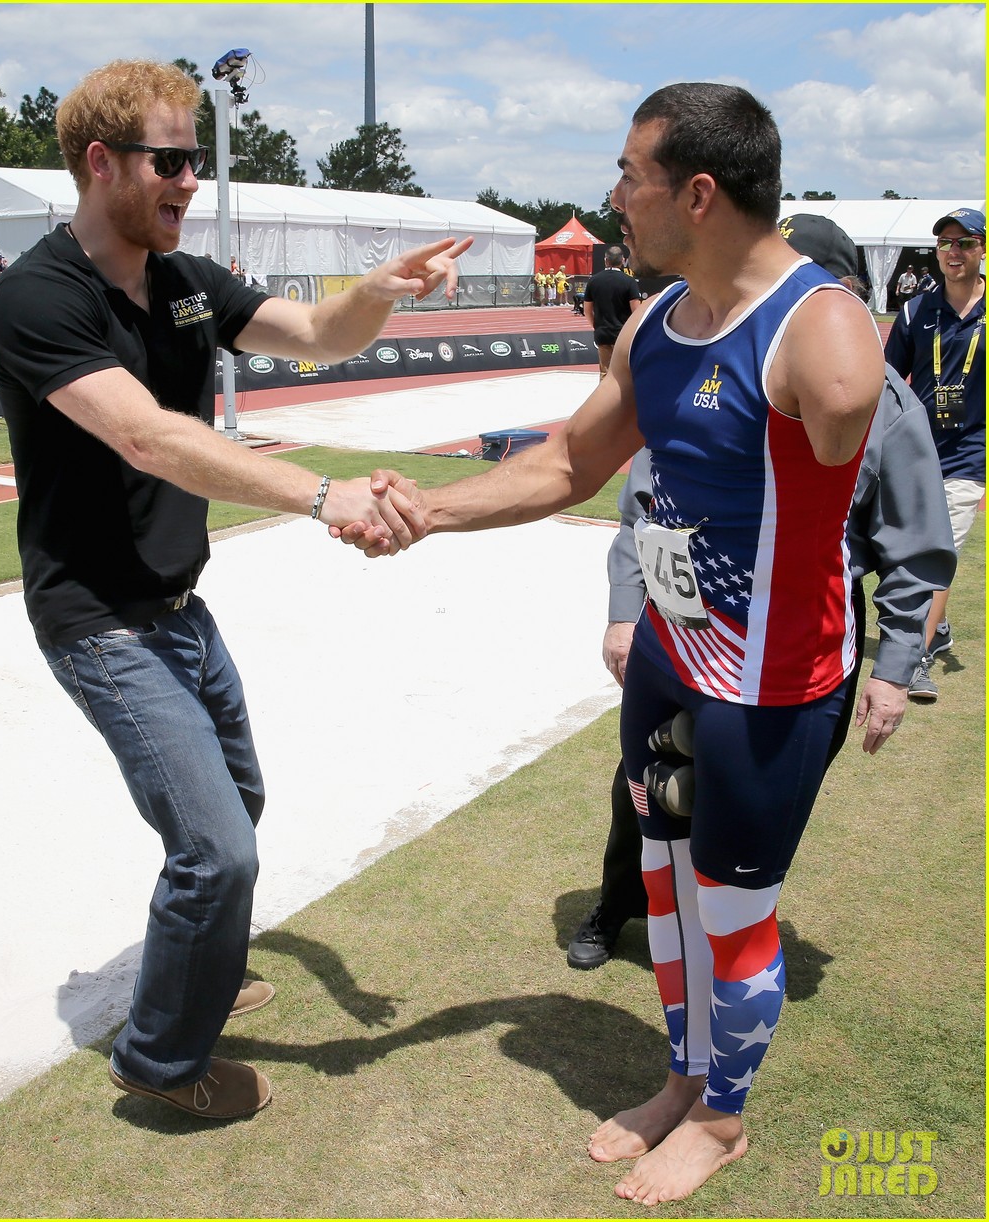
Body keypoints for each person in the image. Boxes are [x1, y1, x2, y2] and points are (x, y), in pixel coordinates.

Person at [345, 82, 885, 1206]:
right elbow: (565, 465)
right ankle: (684, 1080)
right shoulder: (653, 321)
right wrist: (430, 511)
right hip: (668, 658)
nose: (613, 198)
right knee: (667, 884)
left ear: (697, 190)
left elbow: (860, 432)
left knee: (734, 907)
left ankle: (724, 1122)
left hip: (770, 685)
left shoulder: (817, 325)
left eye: (628, 176)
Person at [0, 59, 468, 1124]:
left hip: (180, 609)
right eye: (169, 160)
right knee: (219, 849)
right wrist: (323, 493)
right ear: (101, 162)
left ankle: (198, 968)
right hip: (97, 620)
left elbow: (316, 336)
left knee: (234, 809)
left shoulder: (188, 277)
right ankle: (157, 1066)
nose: (189, 181)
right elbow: (150, 436)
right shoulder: (39, 295)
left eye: (194, 160)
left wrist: (377, 294)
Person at [568, 213, 956, 975]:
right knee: (641, 795)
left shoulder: (879, 404)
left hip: (792, 652)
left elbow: (916, 551)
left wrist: (893, 671)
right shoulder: (694, 363)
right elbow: (645, 510)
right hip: (681, 634)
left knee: (745, 821)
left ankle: (730, 950)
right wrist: (625, 614)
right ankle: (620, 908)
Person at [884, 207, 985, 703]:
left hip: (971, 452)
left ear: (983, 249)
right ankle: (934, 629)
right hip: (916, 449)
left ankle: (915, 659)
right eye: (945, 243)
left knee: (940, 549)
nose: (954, 252)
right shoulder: (915, 312)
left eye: (964, 242)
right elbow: (885, 380)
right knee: (902, 547)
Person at [582, 244, 643, 378]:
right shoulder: (629, 281)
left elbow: (587, 310)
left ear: (606, 260)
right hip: (623, 334)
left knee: (605, 373)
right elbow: (637, 311)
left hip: (602, 333)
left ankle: (604, 398)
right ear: (622, 261)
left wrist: (596, 325)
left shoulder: (594, 281)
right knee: (626, 374)